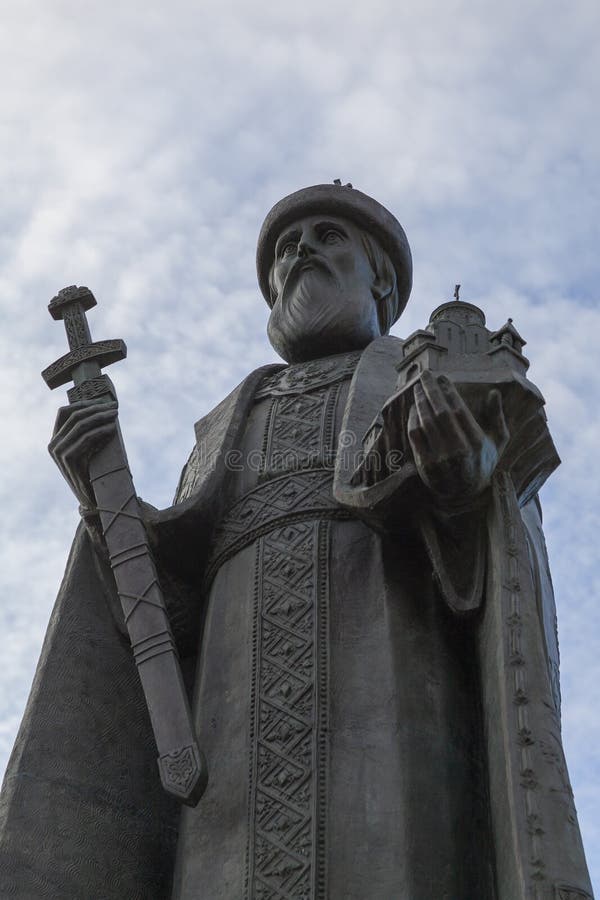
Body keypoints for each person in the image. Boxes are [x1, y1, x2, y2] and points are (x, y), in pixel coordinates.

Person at [0, 183, 592, 899]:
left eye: (328, 236)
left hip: (390, 721)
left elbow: (485, 555)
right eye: (287, 247)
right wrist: (104, 499)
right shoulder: (228, 425)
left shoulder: (422, 381)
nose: (302, 250)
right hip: (230, 764)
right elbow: (168, 626)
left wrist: (460, 483)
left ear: (381, 276)